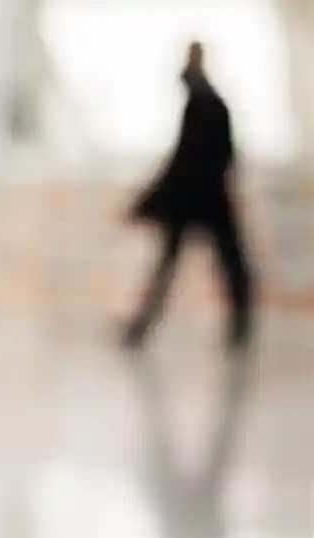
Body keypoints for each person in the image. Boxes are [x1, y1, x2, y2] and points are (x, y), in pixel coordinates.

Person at [126, 42, 254, 349]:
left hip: (199, 200)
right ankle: (239, 331)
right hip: (204, 199)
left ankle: (140, 330)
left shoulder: (204, 104)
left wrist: (150, 199)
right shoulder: (207, 103)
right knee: (222, 267)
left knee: (182, 267)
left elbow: (185, 160)